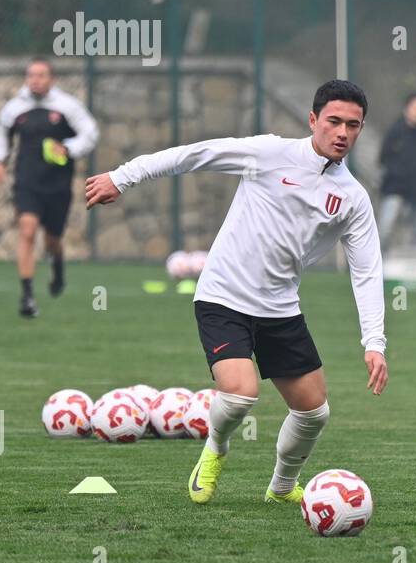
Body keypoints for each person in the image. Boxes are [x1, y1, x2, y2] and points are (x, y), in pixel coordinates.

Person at [84, 80, 389, 506]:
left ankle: (282, 487)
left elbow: (367, 271)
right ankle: (216, 449)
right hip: (222, 296)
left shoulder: (353, 199)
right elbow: (194, 155)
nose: (342, 133)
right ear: (313, 120)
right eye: (334, 121)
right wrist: (123, 176)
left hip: (280, 308)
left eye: (353, 125)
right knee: (241, 391)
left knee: (314, 411)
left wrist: (373, 342)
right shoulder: (269, 153)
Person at [0, 59, 99, 318]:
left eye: (41, 75)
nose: (36, 80)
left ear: (52, 79)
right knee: (27, 231)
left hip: (57, 184)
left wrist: (69, 148)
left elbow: (90, 133)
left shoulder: (67, 106)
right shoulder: (15, 108)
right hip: (27, 181)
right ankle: (27, 297)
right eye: (31, 75)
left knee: (52, 241)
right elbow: (3, 135)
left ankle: (57, 265)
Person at [378, 92, 416, 253]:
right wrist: (397, 177)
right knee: (386, 228)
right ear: (408, 108)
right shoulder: (395, 131)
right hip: (395, 189)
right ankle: (377, 266)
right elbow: (384, 158)